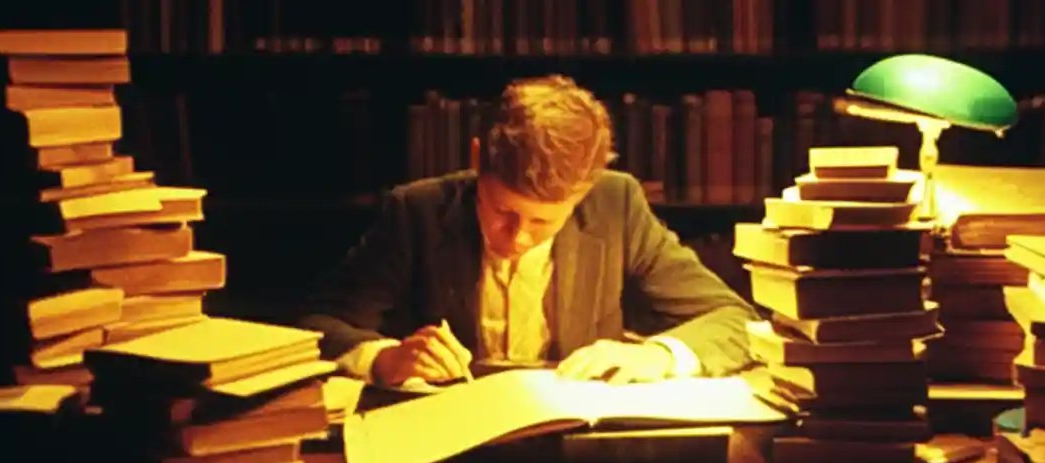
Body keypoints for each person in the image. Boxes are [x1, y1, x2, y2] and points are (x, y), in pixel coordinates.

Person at [297, 75, 757, 387]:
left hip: (576, 456)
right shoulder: (415, 211)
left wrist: (657, 356)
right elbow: (317, 327)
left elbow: (735, 322)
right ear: (477, 161)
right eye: (503, 212)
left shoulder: (616, 205)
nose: (516, 240)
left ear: (582, 193)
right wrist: (384, 359)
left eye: (543, 223)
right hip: (449, 450)